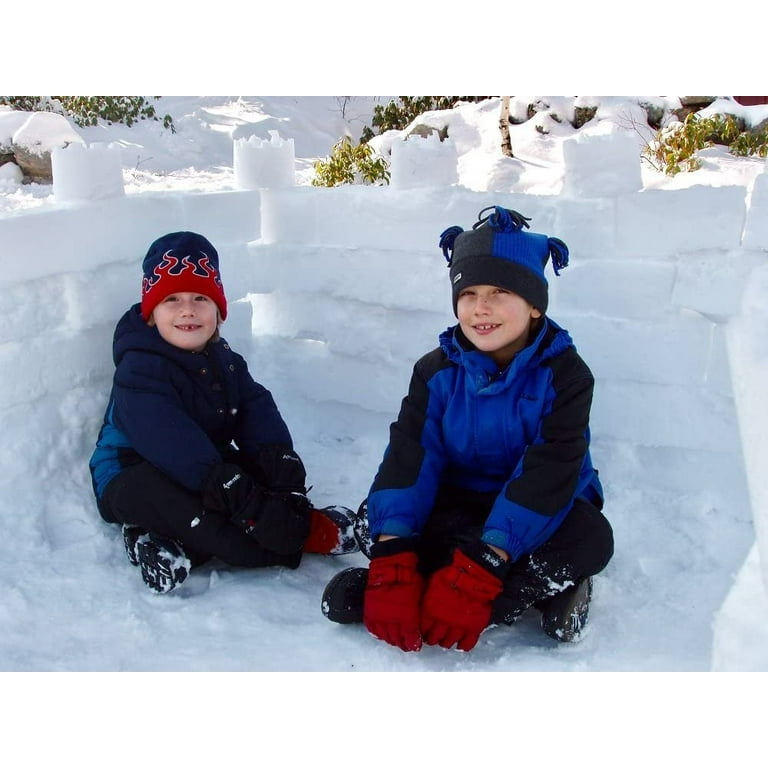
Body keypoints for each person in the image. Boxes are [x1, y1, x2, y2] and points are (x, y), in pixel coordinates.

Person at [321, 206, 613, 652]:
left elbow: (550, 471)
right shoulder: (434, 372)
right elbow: (410, 457)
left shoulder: (566, 376)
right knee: (373, 523)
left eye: (500, 291)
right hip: (459, 501)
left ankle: (493, 595)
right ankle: (415, 585)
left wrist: (483, 565)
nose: (482, 307)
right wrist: (393, 554)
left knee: (590, 537)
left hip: (541, 507)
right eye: (470, 292)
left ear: (535, 305)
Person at [90, 231, 359, 594]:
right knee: (233, 535)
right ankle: (299, 535)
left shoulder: (225, 361)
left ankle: (179, 542)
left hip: (201, 463)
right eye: (172, 299)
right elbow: (169, 440)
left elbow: (254, 408)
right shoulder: (140, 369)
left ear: (218, 311)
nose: (188, 309)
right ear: (152, 314)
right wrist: (238, 496)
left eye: (201, 298)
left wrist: (279, 468)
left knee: (251, 487)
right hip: (132, 474)